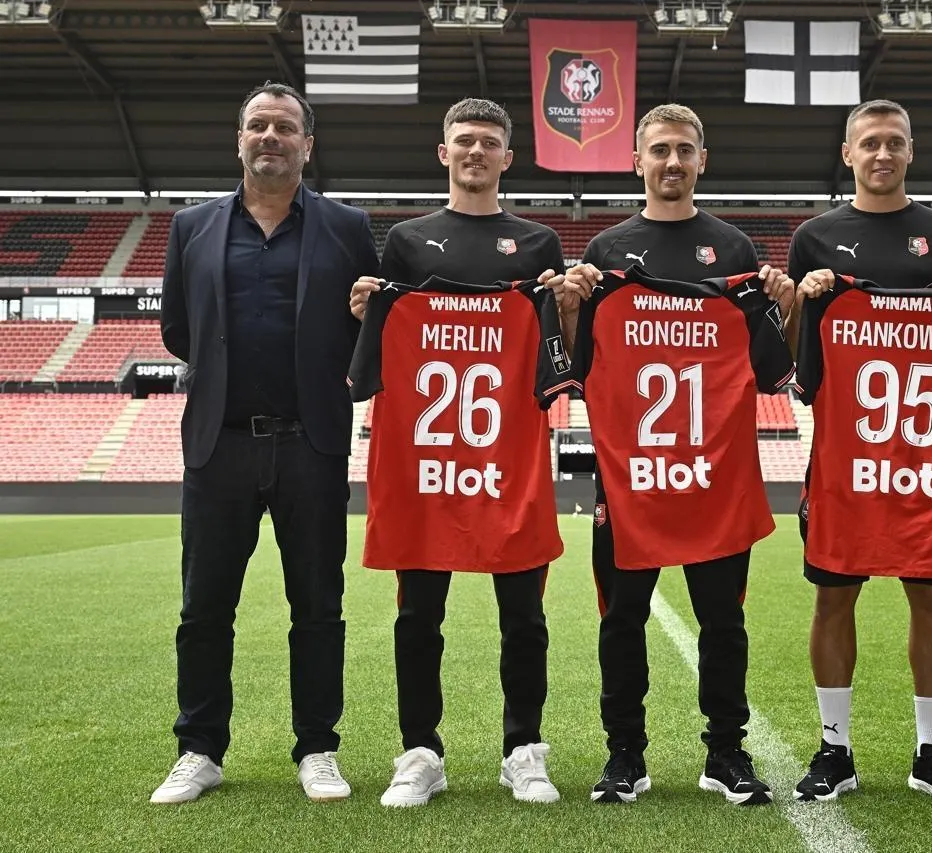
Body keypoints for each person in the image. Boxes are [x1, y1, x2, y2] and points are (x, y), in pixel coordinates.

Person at [562, 103, 795, 806]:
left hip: (713, 477)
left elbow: (770, 372)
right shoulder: (606, 252)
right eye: (659, 149)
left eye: (684, 149)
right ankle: (624, 754)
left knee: (724, 621)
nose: (672, 161)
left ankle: (726, 751)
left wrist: (782, 306)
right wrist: (571, 307)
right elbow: (578, 368)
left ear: (702, 160)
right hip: (629, 476)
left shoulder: (734, 250)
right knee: (621, 617)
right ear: (637, 160)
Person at [152, 81, 377, 804]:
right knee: (204, 608)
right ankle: (199, 748)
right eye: (258, 125)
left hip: (311, 443)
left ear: (308, 144)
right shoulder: (191, 226)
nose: (270, 137)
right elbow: (178, 329)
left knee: (318, 605)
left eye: (285, 127)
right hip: (219, 445)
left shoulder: (347, 226)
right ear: (240, 139)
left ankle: (317, 747)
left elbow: (367, 327)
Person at [785, 99, 932, 806]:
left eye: (894, 142)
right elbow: (794, 355)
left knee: (931, 596)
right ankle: (835, 749)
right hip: (846, 458)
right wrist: (802, 300)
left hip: (925, 461)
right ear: (847, 154)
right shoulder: (815, 238)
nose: (882, 154)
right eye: (869, 143)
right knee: (833, 596)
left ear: (911, 151)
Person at [348, 98, 566, 807]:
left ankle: (523, 749)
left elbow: (557, 348)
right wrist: (367, 310)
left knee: (524, 616)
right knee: (418, 615)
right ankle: (420, 751)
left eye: (489, 142)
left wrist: (564, 303)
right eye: (464, 140)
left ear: (508, 157)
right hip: (427, 461)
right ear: (444, 153)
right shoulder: (407, 241)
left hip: (510, 458)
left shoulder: (538, 244)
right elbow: (384, 339)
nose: (476, 151)